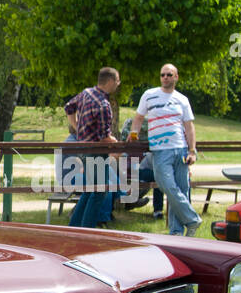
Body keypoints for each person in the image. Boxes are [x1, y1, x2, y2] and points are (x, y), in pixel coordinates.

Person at [130, 64, 200, 236]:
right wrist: (133, 135)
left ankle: (177, 232)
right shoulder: (149, 95)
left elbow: (189, 126)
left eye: (169, 74)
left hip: (181, 149)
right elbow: (138, 118)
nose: (165, 77)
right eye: (162, 75)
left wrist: (192, 151)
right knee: (166, 185)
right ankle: (192, 219)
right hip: (160, 150)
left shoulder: (182, 99)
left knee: (182, 189)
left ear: (176, 77)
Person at [63, 67, 120, 228]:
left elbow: (68, 108)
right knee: (99, 192)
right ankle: (87, 229)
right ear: (110, 81)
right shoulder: (103, 105)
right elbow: (104, 137)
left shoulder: (86, 93)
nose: (118, 84)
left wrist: (77, 128)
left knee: (90, 190)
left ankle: (74, 227)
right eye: (117, 81)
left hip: (83, 149)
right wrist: (115, 144)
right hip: (96, 153)